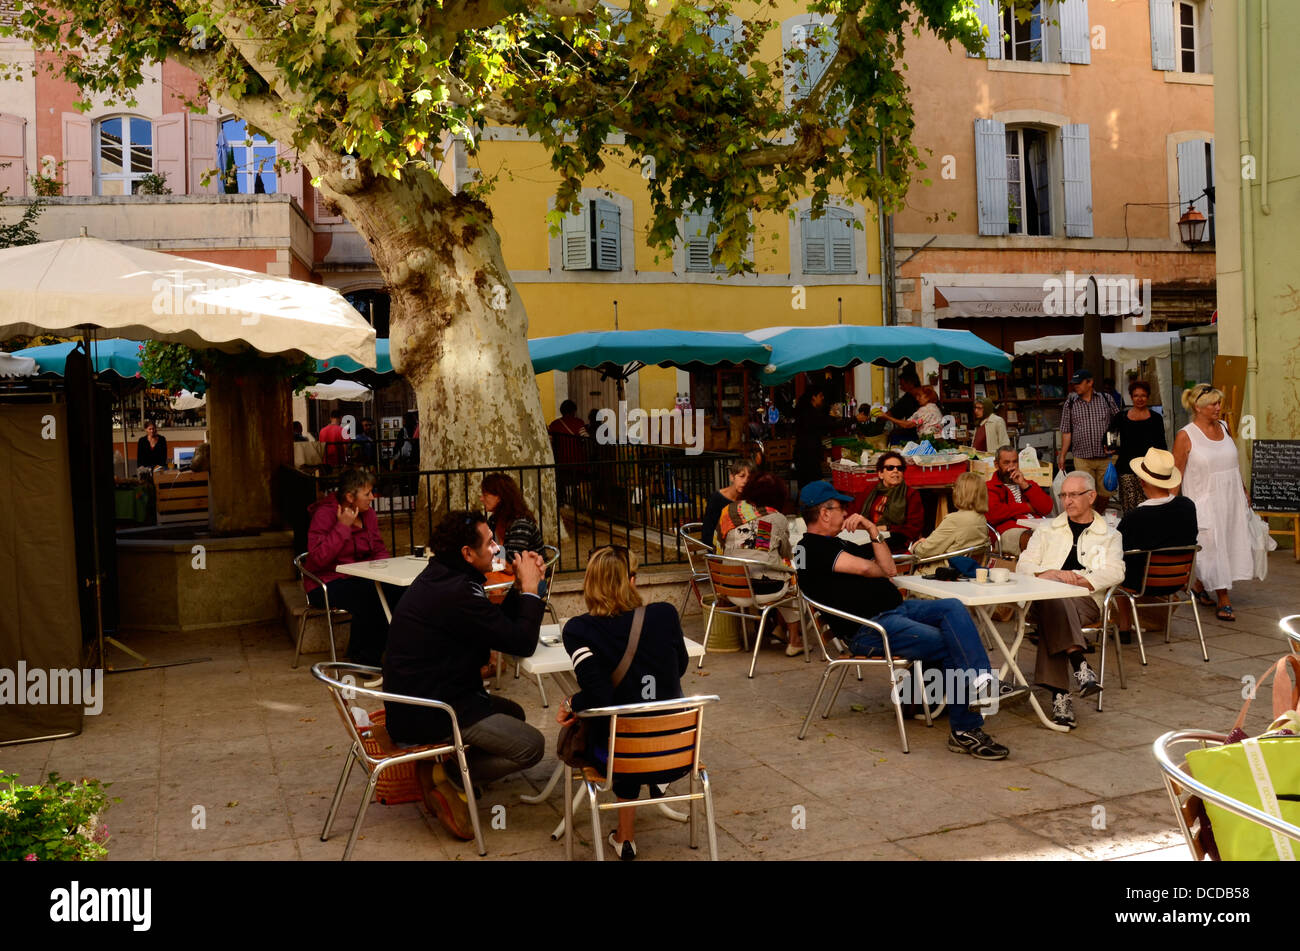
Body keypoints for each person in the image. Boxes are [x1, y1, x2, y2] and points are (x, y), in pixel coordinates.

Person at [795, 480, 1026, 760]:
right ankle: (965, 729)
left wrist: (872, 530)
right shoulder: (813, 548)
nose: (846, 513)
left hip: (895, 611)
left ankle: (981, 684)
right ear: (824, 513)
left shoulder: (836, 544)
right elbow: (871, 570)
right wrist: (876, 565)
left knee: (952, 607)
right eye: (840, 507)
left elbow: (889, 569)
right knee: (951, 642)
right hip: (870, 629)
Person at [383, 510, 547, 840]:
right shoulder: (456, 592)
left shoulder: (447, 577)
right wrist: (532, 590)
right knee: (531, 746)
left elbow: (495, 626)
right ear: (467, 553)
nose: (498, 548)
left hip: (422, 697)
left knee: (514, 713)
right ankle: (452, 774)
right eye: (490, 543)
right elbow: (521, 644)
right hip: (432, 710)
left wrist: (518, 588)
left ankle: (452, 771)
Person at [556, 547, 690, 860]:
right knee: (629, 721)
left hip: (620, 755)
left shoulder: (579, 630)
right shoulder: (665, 614)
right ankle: (649, 790)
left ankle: (626, 836)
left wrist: (569, 702)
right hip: (677, 749)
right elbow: (680, 667)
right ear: (631, 582)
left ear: (589, 584)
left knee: (612, 728)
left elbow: (598, 695)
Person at [1014, 471, 1125, 729]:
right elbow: (1023, 565)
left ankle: (1060, 696)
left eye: (1074, 495)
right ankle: (1079, 663)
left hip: (1084, 601)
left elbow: (1116, 572)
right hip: (1040, 599)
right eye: (1063, 495)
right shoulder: (1046, 530)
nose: (1067, 501)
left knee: (1055, 606)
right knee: (1054, 596)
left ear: (1091, 496)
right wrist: (1048, 574)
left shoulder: (1109, 535)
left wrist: (1079, 581)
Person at [1173, 384, 1254, 623]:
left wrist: (1243, 489)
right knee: (1213, 547)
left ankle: (1198, 584)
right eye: (1213, 403)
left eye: (1219, 402)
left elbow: (1232, 463)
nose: (1218, 407)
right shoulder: (1186, 435)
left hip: (1230, 499)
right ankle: (1223, 597)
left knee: (1226, 544)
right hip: (1203, 499)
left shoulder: (1225, 427)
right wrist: (1170, 505)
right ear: (1198, 407)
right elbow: (1176, 473)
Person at [304, 468, 399, 666]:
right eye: (367, 493)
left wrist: (386, 570)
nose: (372, 497)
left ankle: (369, 651)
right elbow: (318, 559)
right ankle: (366, 659)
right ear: (350, 497)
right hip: (325, 582)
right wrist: (342, 526)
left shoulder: (368, 514)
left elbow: (379, 548)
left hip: (361, 578)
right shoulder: (325, 514)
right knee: (372, 597)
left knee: (398, 591)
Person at [1114, 447, 1199, 642]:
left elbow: (1119, 548)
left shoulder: (1136, 517)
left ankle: (1125, 626)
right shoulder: (1187, 506)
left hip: (1142, 583)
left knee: (1116, 566)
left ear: (1142, 481)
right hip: (1179, 580)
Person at [716, 471, 802, 654]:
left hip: (731, 588)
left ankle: (778, 628)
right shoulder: (777, 518)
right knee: (793, 579)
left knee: (770, 568)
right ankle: (794, 640)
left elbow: (719, 544)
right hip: (766, 590)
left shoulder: (728, 511)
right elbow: (785, 553)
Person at [1057, 369, 1119, 513]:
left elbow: (1118, 423)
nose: (1075, 386)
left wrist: (1113, 444)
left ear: (1090, 382)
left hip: (1106, 456)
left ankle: (1098, 516)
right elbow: (1066, 431)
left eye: (1079, 383)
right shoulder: (1070, 403)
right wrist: (1062, 455)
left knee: (1105, 492)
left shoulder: (1106, 399)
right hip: (1082, 457)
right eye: (1074, 384)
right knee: (1084, 493)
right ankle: (1088, 518)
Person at [910, 471, 989, 573]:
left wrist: (916, 546)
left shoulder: (955, 520)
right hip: (966, 572)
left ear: (960, 492)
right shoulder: (982, 519)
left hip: (940, 573)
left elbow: (923, 551)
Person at [1111, 380, 1167, 516]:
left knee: (1149, 506)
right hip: (1126, 468)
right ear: (1131, 397)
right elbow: (1110, 436)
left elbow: (1162, 445)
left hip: (1149, 470)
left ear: (1148, 397)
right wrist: (1109, 447)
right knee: (1129, 508)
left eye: (1143, 395)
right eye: (1136, 395)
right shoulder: (1121, 417)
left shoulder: (1156, 418)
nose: (1139, 399)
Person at [986, 445, 1053, 556]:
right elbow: (994, 514)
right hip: (1008, 530)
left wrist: (1024, 485)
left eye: (1015, 462)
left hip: (1036, 526)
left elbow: (1047, 508)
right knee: (1033, 539)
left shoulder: (1028, 483)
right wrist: (1027, 507)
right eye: (1006, 463)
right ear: (996, 465)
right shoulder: (990, 487)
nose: (1011, 467)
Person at [858, 450, 923, 553]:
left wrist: (888, 527)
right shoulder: (870, 490)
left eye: (899, 468)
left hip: (896, 540)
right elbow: (855, 513)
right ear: (880, 474)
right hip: (866, 536)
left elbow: (914, 528)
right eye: (890, 468)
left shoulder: (911, 494)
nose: (896, 470)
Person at [480, 471, 544, 558]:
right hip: (500, 566)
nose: (481, 499)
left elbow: (512, 562)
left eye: (485, 495)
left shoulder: (520, 524)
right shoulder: (493, 520)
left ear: (499, 497)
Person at [701, 458, 754, 550]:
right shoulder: (716, 499)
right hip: (722, 551)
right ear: (732, 477)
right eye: (742, 476)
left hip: (746, 549)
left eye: (749, 478)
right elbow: (707, 534)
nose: (745, 481)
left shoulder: (751, 499)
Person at [793, 387, 839, 488]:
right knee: (815, 484)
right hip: (808, 455)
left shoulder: (807, 411)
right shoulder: (810, 413)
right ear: (813, 397)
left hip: (804, 454)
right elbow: (827, 424)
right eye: (820, 396)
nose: (823, 398)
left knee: (805, 485)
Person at [885, 366, 921, 445]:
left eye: (902, 384)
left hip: (919, 435)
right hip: (913, 431)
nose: (901, 388)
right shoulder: (908, 397)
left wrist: (886, 416)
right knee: (894, 433)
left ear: (910, 383)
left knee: (895, 436)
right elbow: (896, 411)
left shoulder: (924, 403)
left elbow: (908, 424)